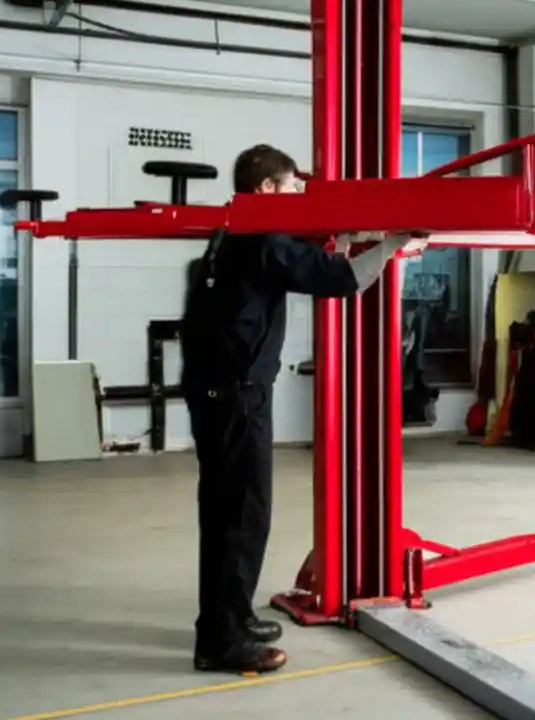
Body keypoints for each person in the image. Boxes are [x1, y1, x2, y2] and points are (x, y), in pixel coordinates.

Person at [181, 144, 417, 674]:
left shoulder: (231, 229)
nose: (297, 198)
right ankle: (222, 643)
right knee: (241, 518)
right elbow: (342, 280)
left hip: (218, 392)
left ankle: (229, 620)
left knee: (227, 515)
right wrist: (397, 243)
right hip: (238, 397)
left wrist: (351, 238)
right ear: (267, 189)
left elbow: (311, 259)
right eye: (292, 189)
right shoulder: (263, 235)